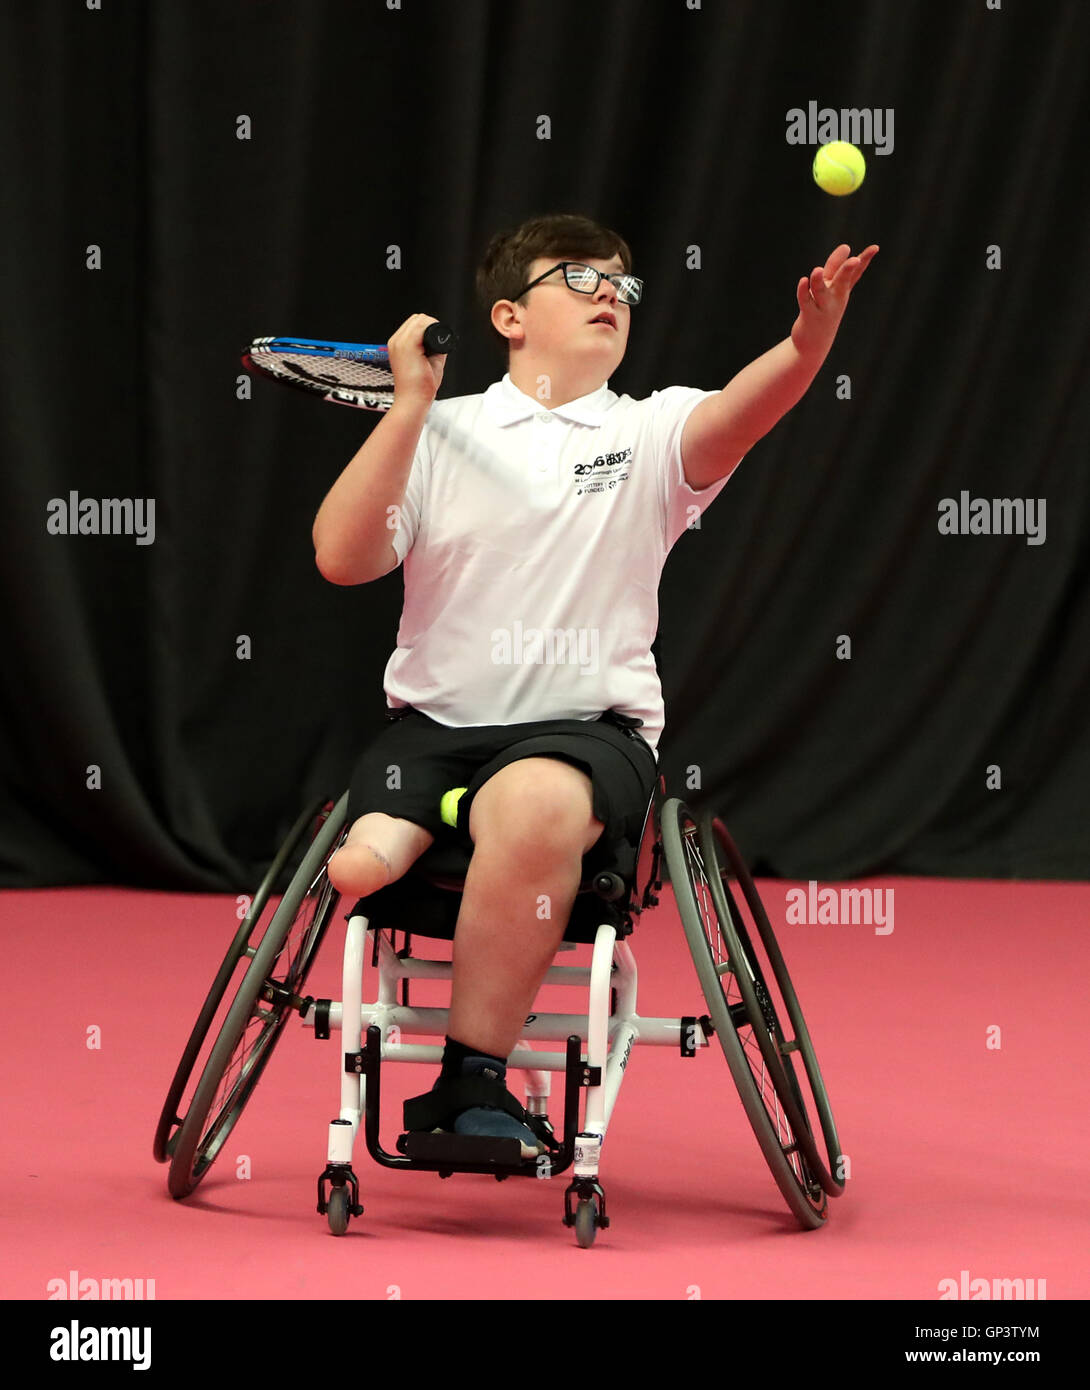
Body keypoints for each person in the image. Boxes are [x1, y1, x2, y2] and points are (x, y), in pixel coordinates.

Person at [312, 213, 878, 1158]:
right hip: (434, 729)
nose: (610, 293)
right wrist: (408, 407)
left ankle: (470, 1087)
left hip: (585, 738)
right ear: (508, 316)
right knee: (375, 847)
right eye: (578, 278)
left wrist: (806, 344)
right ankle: (422, 815)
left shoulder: (651, 433)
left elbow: (745, 406)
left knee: (528, 803)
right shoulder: (439, 435)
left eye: (621, 282)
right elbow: (340, 556)